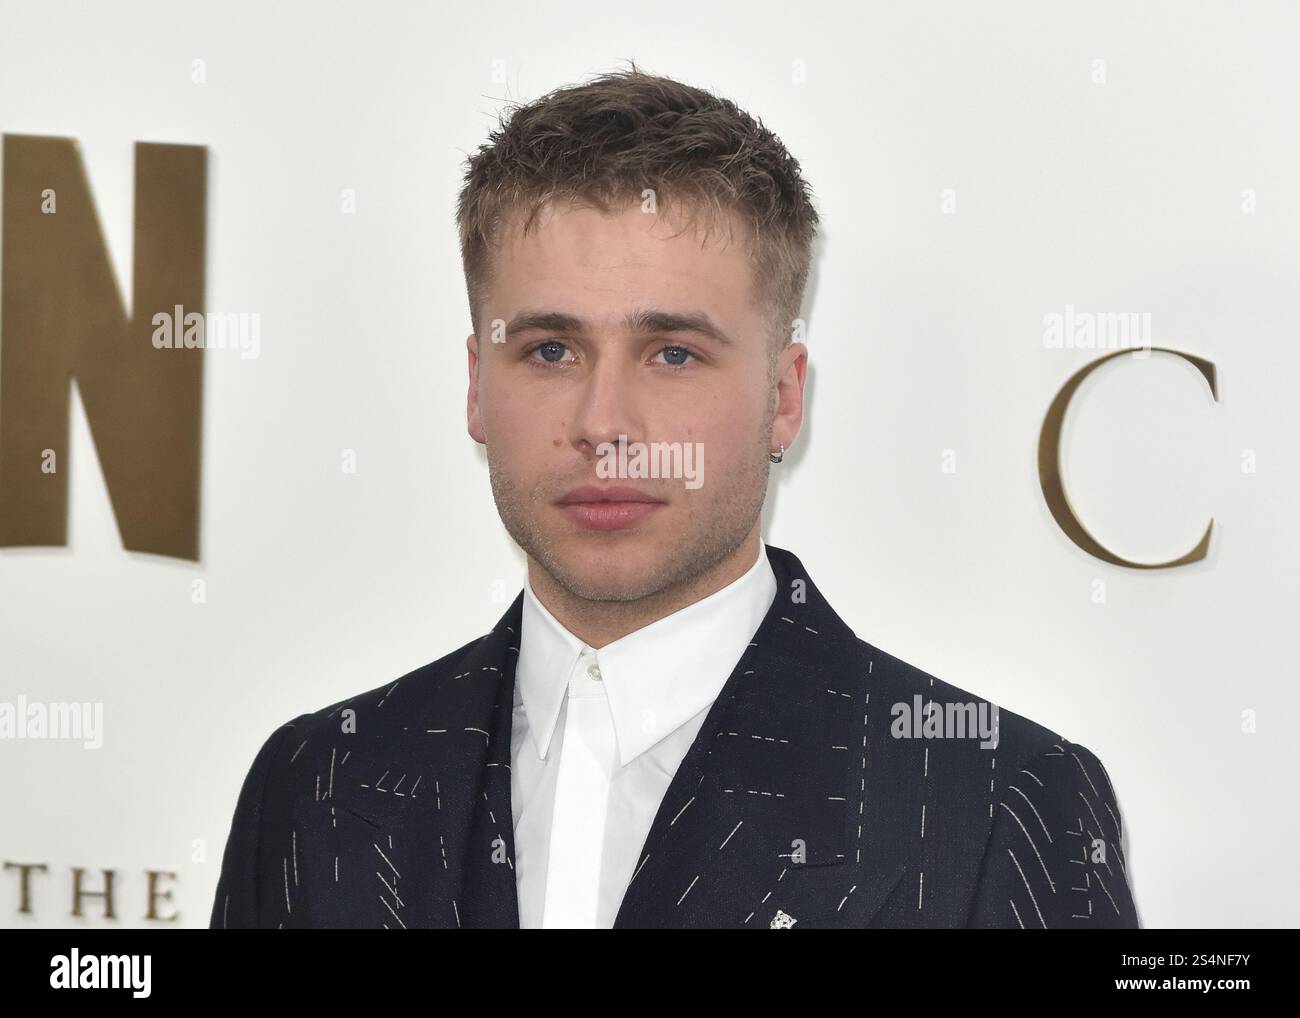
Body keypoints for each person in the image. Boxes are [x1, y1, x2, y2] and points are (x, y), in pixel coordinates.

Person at [209, 65, 1139, 929]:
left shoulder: (998, 806)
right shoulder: (315, 786)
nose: (603, 422)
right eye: (550, 350)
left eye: (674, 354)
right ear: (475, 387)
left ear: (784, 397)